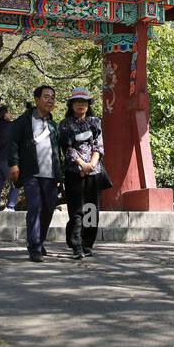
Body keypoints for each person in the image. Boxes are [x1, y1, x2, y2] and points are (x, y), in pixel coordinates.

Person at [8, 85, 63, 262]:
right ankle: (34, 248)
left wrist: (59, 176)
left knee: (48, 209)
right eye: (46, 96)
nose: (50, 100)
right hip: (31, 172)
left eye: (53, 97)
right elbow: (13, 144)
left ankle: (39, 241)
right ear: (37, 100)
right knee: (35, 207)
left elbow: (57, 153)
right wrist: (14, 165)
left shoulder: (54, 126)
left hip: (50, 174)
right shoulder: (23, 121)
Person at [58, 87, 105, 260]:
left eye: (84, 102)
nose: (81, 105)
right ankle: (76, 244)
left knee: (92, 208)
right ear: (71, 105)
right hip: (74, 171)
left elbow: (98, 145)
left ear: (88, 105)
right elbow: (67, 148)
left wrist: (91, 164)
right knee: (76, 209)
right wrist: (82, 165)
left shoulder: (95, 122)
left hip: (94, 171)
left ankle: (87, 243)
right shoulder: (64, 124)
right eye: (77, 102)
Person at [0, 105, 18, 212]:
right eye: (9, 112)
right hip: (7, 161)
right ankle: (10, 206)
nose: (11, 114)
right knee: (16, 184)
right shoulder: (11, 126)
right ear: (5, 114)